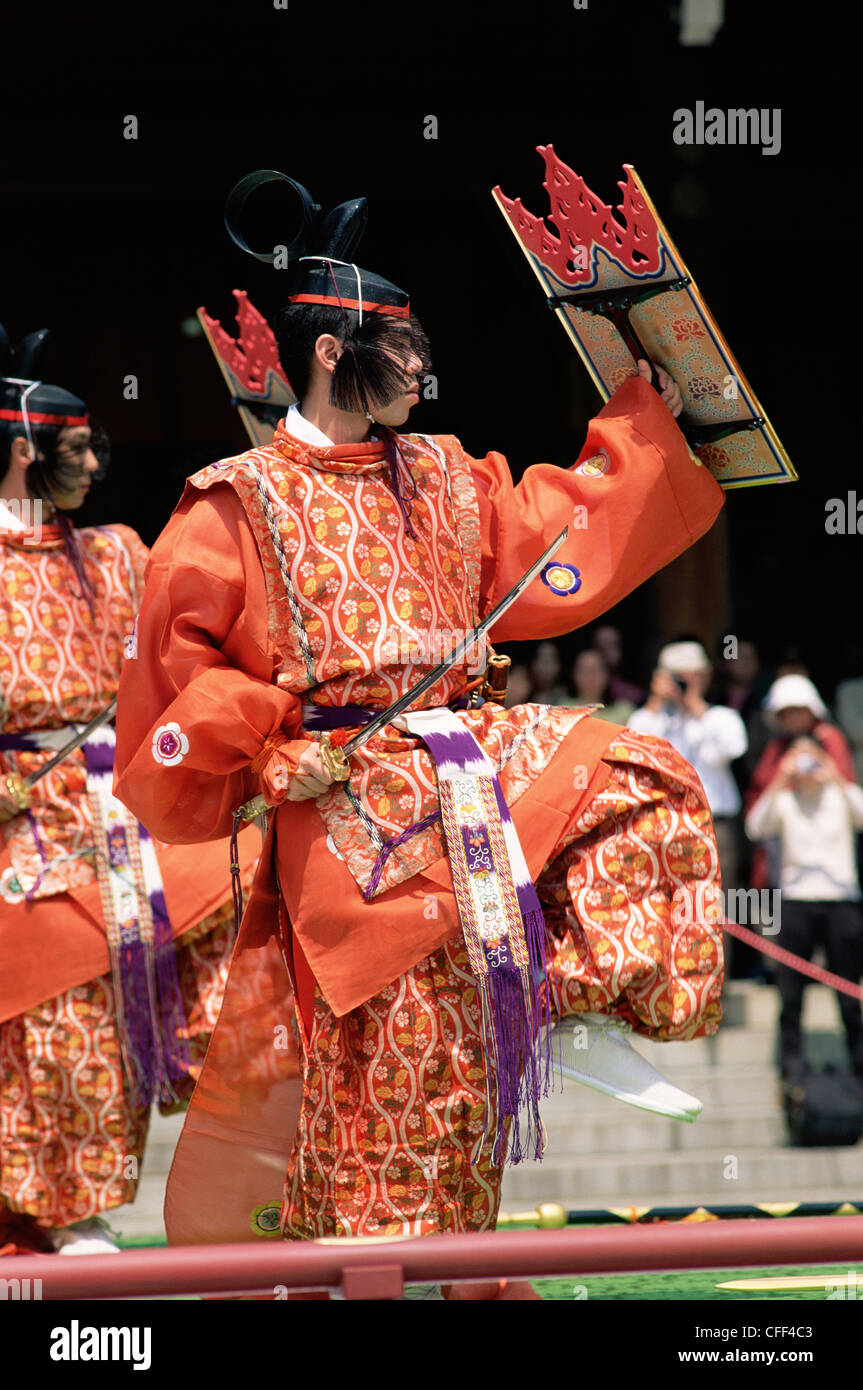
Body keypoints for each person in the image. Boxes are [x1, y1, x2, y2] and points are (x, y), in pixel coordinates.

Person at [113, 184, 726, 1299]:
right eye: (403, 350)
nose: (420, 369)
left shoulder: (445, 474)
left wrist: (650, 420)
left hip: (470, 765)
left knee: (646, 774)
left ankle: (568, 993)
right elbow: (179, 683)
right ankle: (387, 1268)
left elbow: (561, 523)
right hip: (348, 817)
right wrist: (267, 750)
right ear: (335, 348)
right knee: (406, 1076)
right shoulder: (230, 507)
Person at [0, 332, 261, 1257]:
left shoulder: (116, 551)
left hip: (124, 803)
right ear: (24, 448)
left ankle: (254, 1159)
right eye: (75, 443)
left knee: (239, 913)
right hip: (18, 824)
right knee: (55, 1004)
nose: (95, 458)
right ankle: (61, 1204)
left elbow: (175, 655)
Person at [744, 702, 863, 1086]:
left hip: (840, 900)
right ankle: (790, 1075)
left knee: (849, 995)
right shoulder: (784, 799)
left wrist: (838, 779)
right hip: (797, 901)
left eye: (813, 759)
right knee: (791, 996)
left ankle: (860, 1073)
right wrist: (780, 780)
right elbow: (754, 827)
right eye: (801, 760)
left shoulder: (840, 797)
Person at [628, 640, 748, 891]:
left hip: (715, 823)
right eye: (676, 677)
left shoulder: (721, 715)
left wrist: (695, 704)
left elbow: (734, 747)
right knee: (667, 898)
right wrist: (655, 701)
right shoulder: (652, 718)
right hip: (664, 822)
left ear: (705, 676)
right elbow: (633, 748)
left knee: (717, 903)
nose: (682, 682)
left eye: (690, 676)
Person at [562, 646, 635, 723]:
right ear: (574, 674)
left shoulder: (624, 711)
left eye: (596, 670)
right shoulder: (563, 710)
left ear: (607, 674)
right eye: (585, 670)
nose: (591, 676)